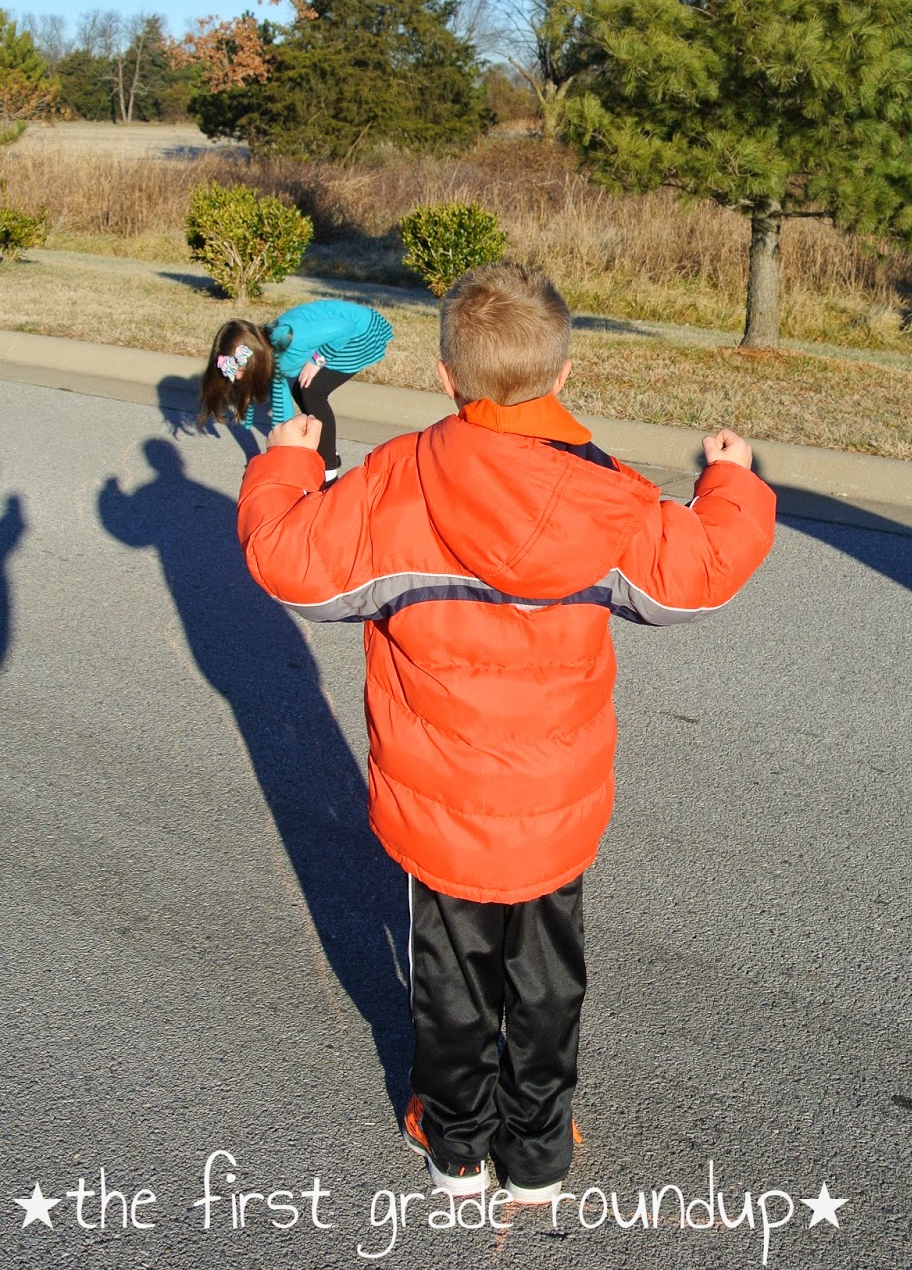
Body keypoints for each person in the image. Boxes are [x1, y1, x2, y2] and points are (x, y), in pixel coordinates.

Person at [236, 262, 776, 1204]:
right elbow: (700, 571)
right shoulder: (608, 493)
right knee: (547, 973)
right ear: (561, 376)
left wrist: (288, 457)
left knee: (448, 976)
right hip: (553, 806)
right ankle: (536, 1147)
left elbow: (292, 569)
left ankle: (454, 1143)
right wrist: (729, 480)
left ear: (446, 377)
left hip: (439, 805)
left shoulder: (396, 478)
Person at [198, 298, 393, 482]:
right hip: (342, 333)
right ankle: (323, 445)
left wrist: (318, 360)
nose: (238, 377)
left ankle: (329, 473)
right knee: (300, 391)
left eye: (240, 369)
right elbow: (283, 408)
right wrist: (280, 453)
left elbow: (345, 327)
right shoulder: (270, 357)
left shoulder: (291, 339)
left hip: (361, 332)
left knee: (312, 392)